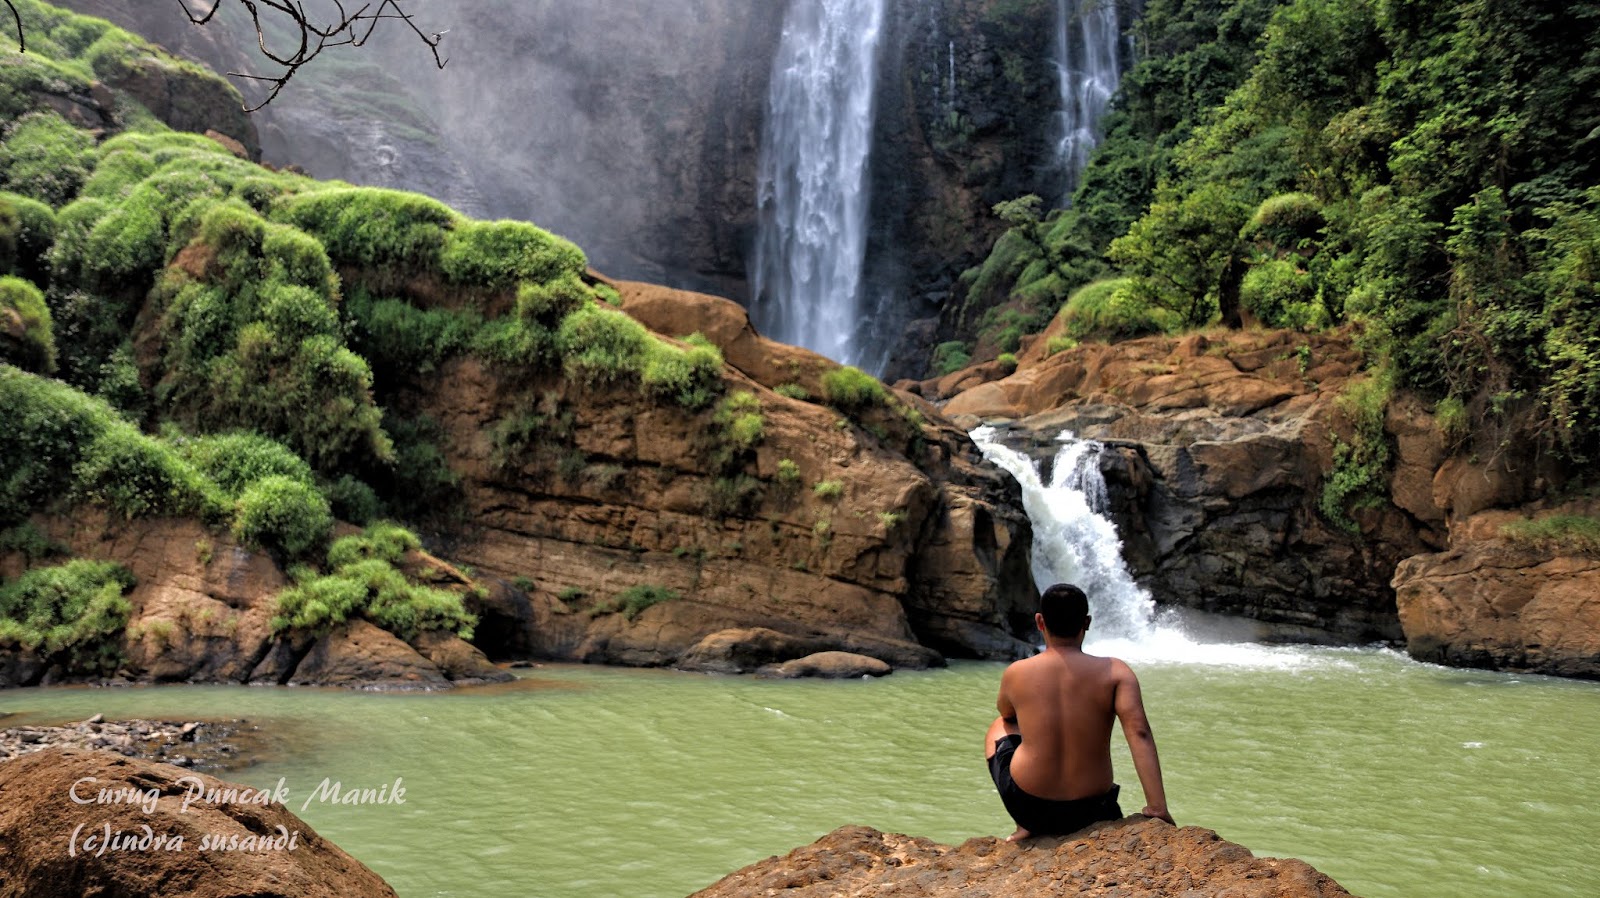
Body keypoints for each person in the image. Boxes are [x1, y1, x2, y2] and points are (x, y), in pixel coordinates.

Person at [985, 583, 1173, 841]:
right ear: (1087, 622)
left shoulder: (1017, 672)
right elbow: (1139, 733)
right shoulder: (1117, 672)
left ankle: (1023, 826)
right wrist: (1157, 808)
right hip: (1094, 809)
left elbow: (1006, 713)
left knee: (1000, 725)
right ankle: (1154, 804)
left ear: (1040, 621)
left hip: (1031, 807)